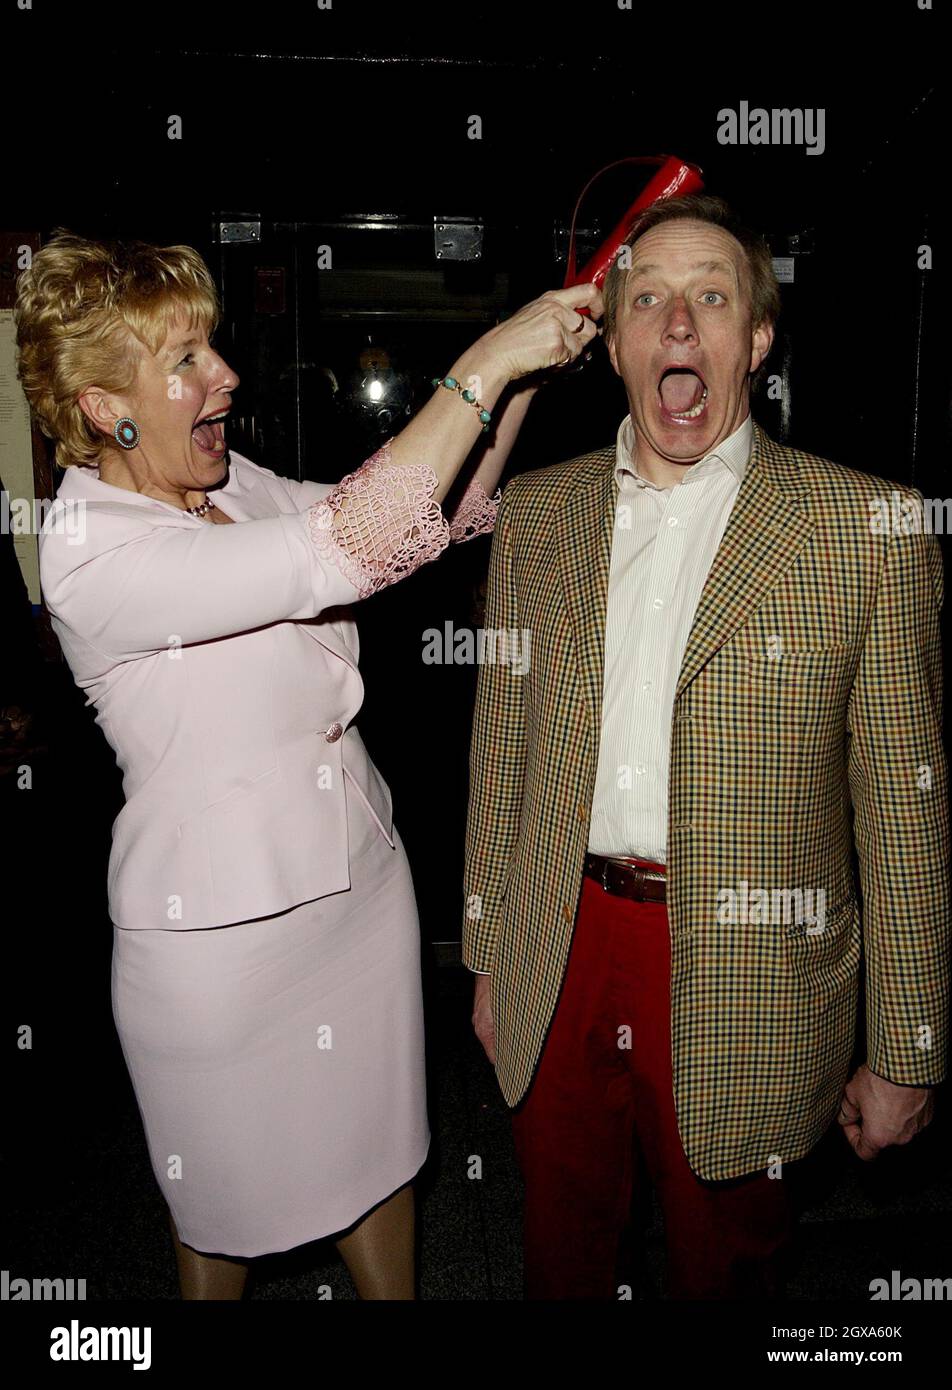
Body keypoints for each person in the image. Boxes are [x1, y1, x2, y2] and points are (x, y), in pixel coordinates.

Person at [16, 229, 603, 1300]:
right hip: (219, 954)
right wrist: (483, 361)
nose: (225, 374)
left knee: (382, 1167)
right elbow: (347, 545)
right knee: (223, 1214)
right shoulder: (90, 548)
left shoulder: (229, 480)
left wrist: (524, 381)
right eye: (186, 358)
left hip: (359, 901)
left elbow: (433, 517)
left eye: (213, 346)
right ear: (107, 405)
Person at [463, 193, 949, 1300]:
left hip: (754, 969)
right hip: (564, 944)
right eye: (648, 302)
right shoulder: (533, 518)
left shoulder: (867, 530)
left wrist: (906, 1047)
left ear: (756, 340)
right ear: (616, 342)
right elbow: (499, 758)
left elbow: (904, 810)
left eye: (712, 299)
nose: (678, 326)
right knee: (563, 1254)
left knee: (728, 1264)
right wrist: (490, 952)